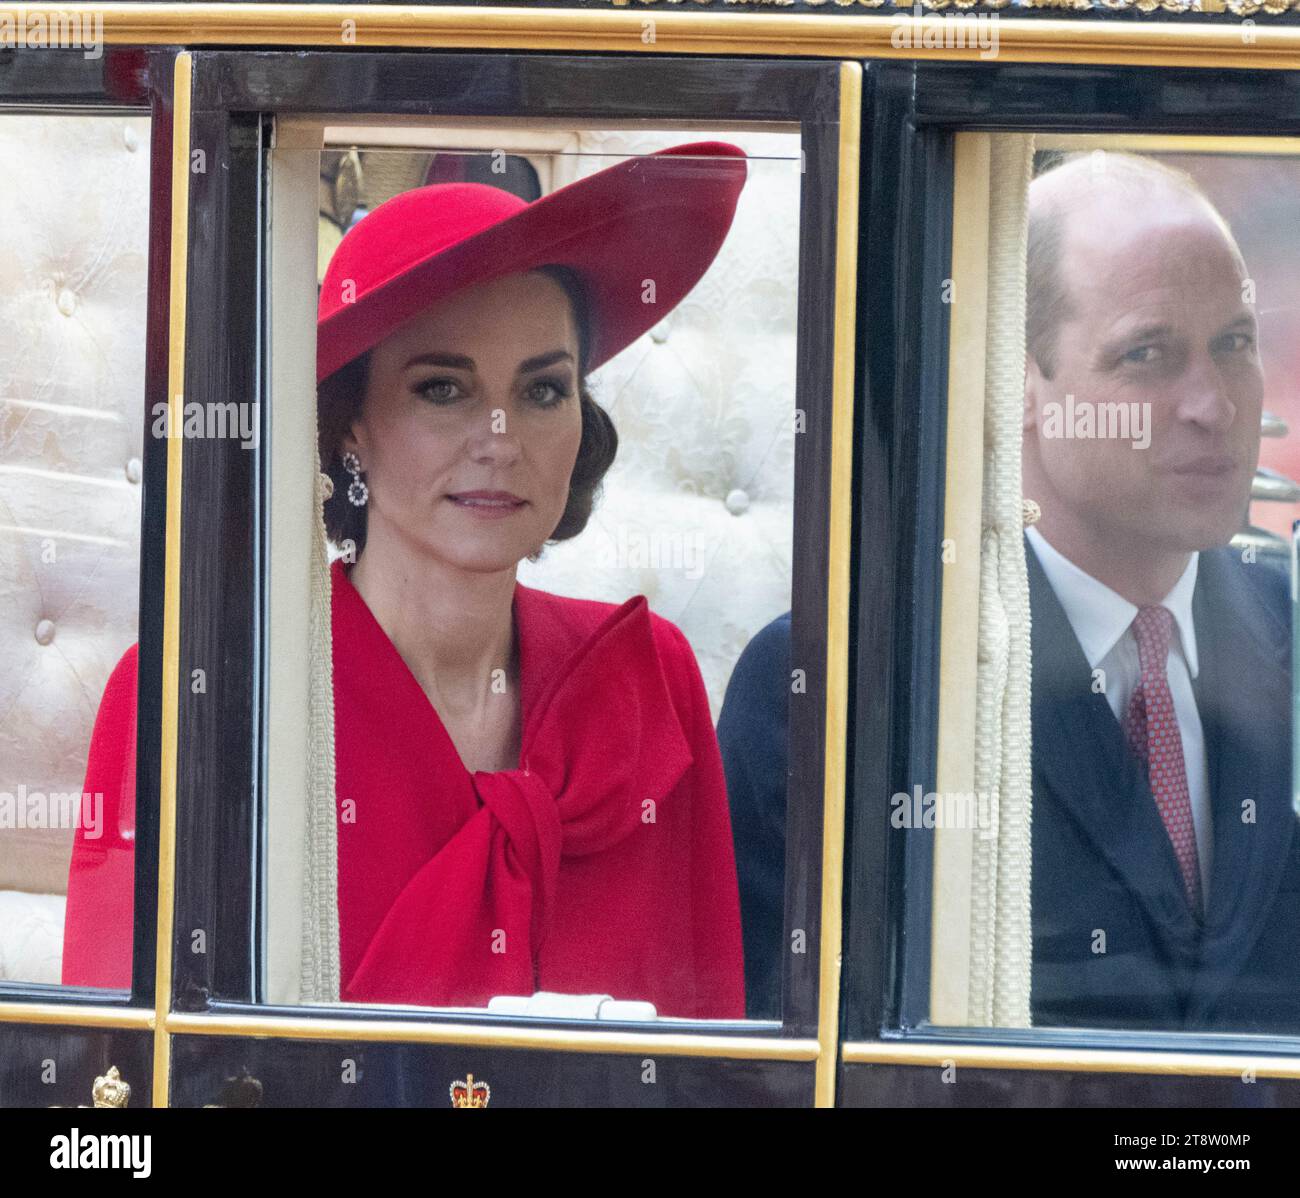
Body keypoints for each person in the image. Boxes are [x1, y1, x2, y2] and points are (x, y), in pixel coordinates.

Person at [62, 142, 749, 1020]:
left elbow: (713, 1046)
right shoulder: (204, 698)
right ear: (349, 424)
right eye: (441, 389)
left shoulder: (647, 679)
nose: (500, 438)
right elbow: (125, 1068)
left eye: (542, 392)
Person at [719, 150, 1300, 1034]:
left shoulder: (1285, 629)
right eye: (1147, 355)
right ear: (1016, 381)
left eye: (1234, 344)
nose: (1213, 405)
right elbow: (786, 1057)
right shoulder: (849, 676)